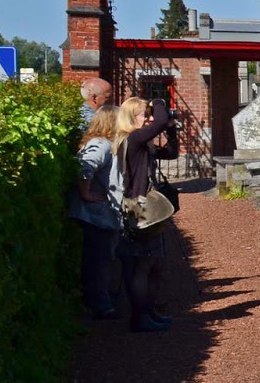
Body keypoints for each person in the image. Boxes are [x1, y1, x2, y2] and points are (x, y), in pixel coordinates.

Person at [113, 96, 179, 332]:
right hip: (139, 206)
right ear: (132, 117)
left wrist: (172, 132)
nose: (150, 118)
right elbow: (160, 121)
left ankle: (148, 312)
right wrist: (159, 101)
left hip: (145, 205)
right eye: (144, 114)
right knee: (143, 264)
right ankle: (140, 317)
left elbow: (171, 154)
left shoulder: (139, 142)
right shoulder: (132, 138)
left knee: (154, 264)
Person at [69, 103, 122, 319]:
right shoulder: (100, 144)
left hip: (99, 214)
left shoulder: (103, 143)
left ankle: (102, 299)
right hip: (95, 215)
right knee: (98, 259)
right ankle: (100, 305)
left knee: (101, 258)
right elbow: (85, 168)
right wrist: (86, 194)